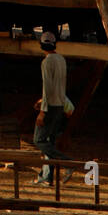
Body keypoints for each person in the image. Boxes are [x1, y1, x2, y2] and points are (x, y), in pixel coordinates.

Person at [33, 31, 74, 184]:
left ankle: (68, 163)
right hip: (60, 105)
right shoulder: (62, 60)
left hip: (50, 107)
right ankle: (46, 177)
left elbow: (48, 87)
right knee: (49, 141)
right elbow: (58, 86)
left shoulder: (47, 62)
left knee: (39, 140)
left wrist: (42, 112)